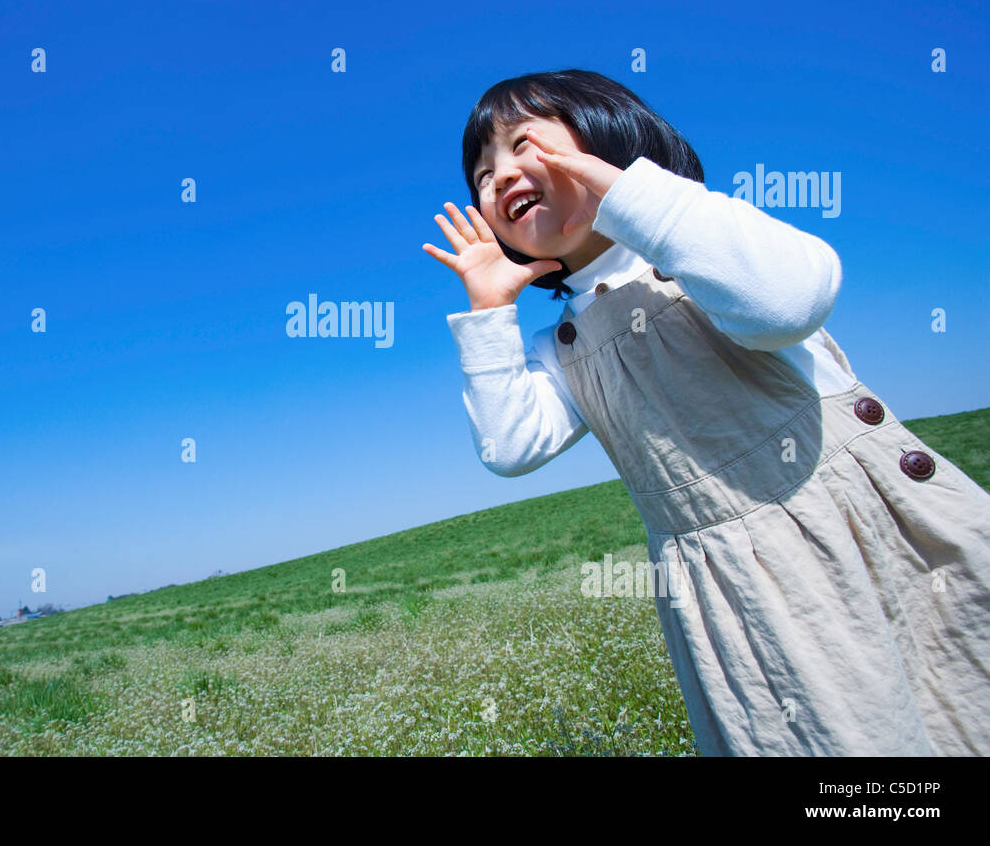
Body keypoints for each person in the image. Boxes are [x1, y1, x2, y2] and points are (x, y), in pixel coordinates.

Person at [423, 68, 990, 756]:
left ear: (608, 134)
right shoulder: (562, 346)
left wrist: (635, 195)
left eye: (521, 144)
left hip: (864, 534)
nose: (499, 176)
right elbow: (510, 447)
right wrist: (489, 310)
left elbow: (787, 301)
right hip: (738, 599)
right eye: (481, 174)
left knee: (959, 702)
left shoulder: (698, 251)